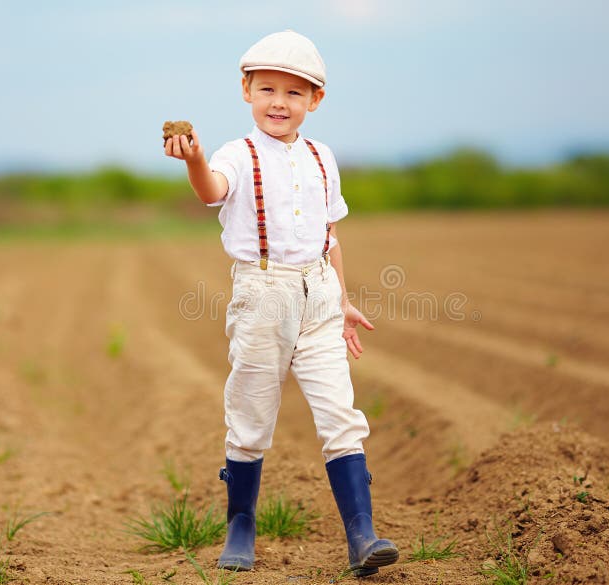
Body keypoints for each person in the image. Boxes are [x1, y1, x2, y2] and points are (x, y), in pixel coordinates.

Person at [163, 30, 398, 577]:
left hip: (318, 296)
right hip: (262, 295)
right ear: (246, 91)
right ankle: (241, 524)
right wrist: (194, 158)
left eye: (294, 94)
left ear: (314, 101)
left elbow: (330, 236)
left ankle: (362, 535)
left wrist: (341, 301)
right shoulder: (234, 155)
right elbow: (211, 190)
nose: (279, 103)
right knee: (250, 417)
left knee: (340, 414)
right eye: (267, 89)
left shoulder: (322, 158)